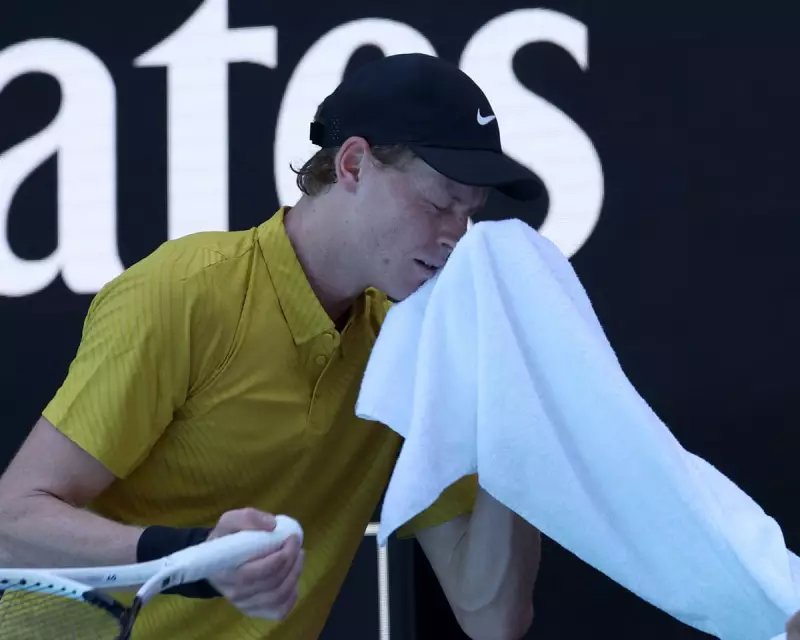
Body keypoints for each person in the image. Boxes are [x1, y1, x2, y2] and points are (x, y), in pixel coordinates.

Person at [0, 53, 544, 639]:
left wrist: (516, 412)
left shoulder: (412, 345)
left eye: (470, 215)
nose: (454, 238)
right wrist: (192, 556)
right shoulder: (182, 293)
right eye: (440, 203)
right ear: (354, 164)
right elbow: (11, 521)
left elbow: (491, 616)